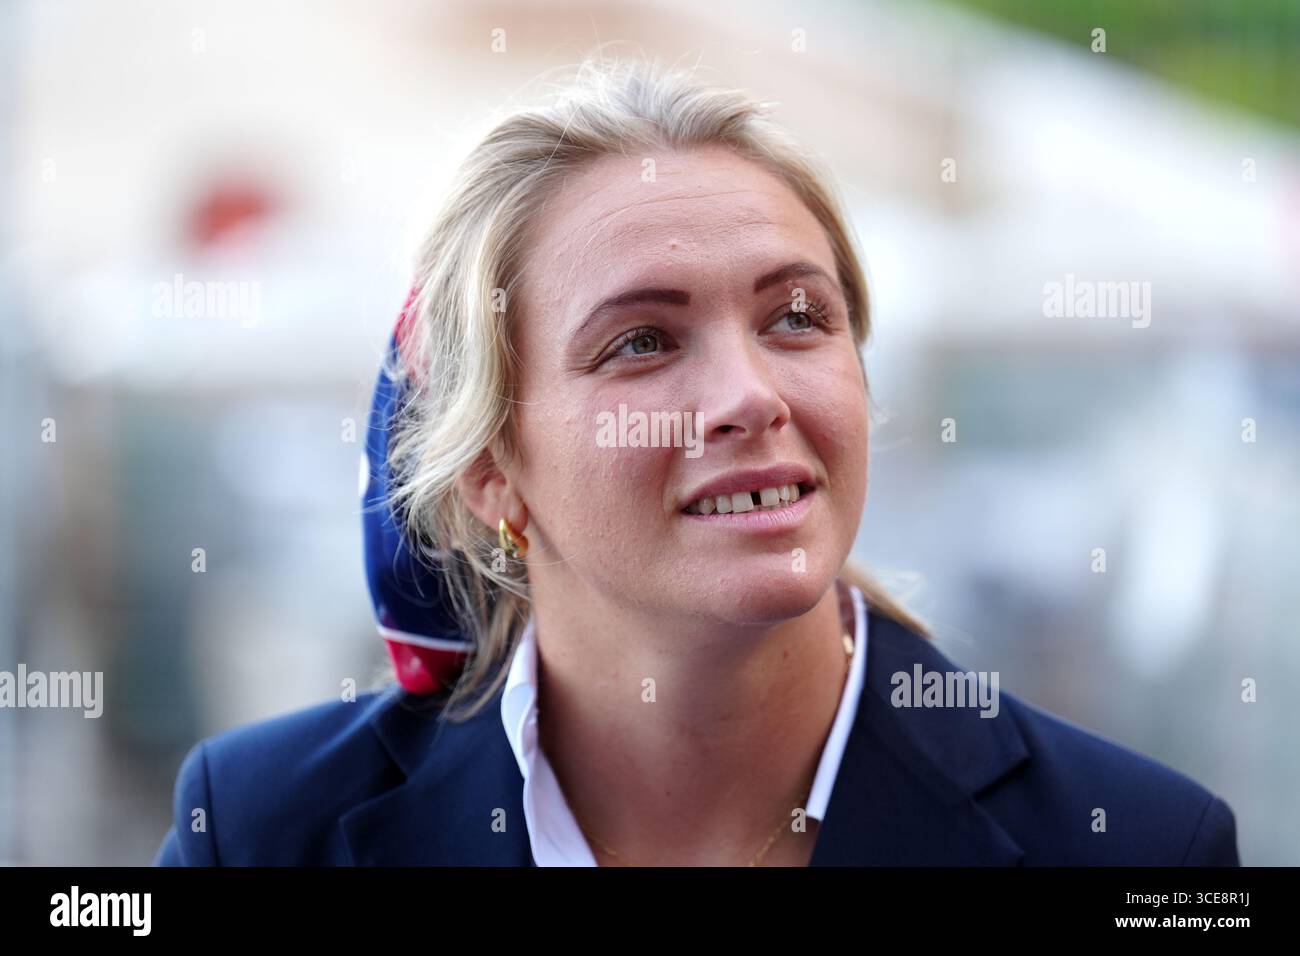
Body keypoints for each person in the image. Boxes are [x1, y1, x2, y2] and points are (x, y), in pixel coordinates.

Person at [154, 55, 1239, 867]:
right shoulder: (262, 830)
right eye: (642, 341)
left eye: (797, 318)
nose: (750, 395)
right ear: (490, 467)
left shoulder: (1136, 846)